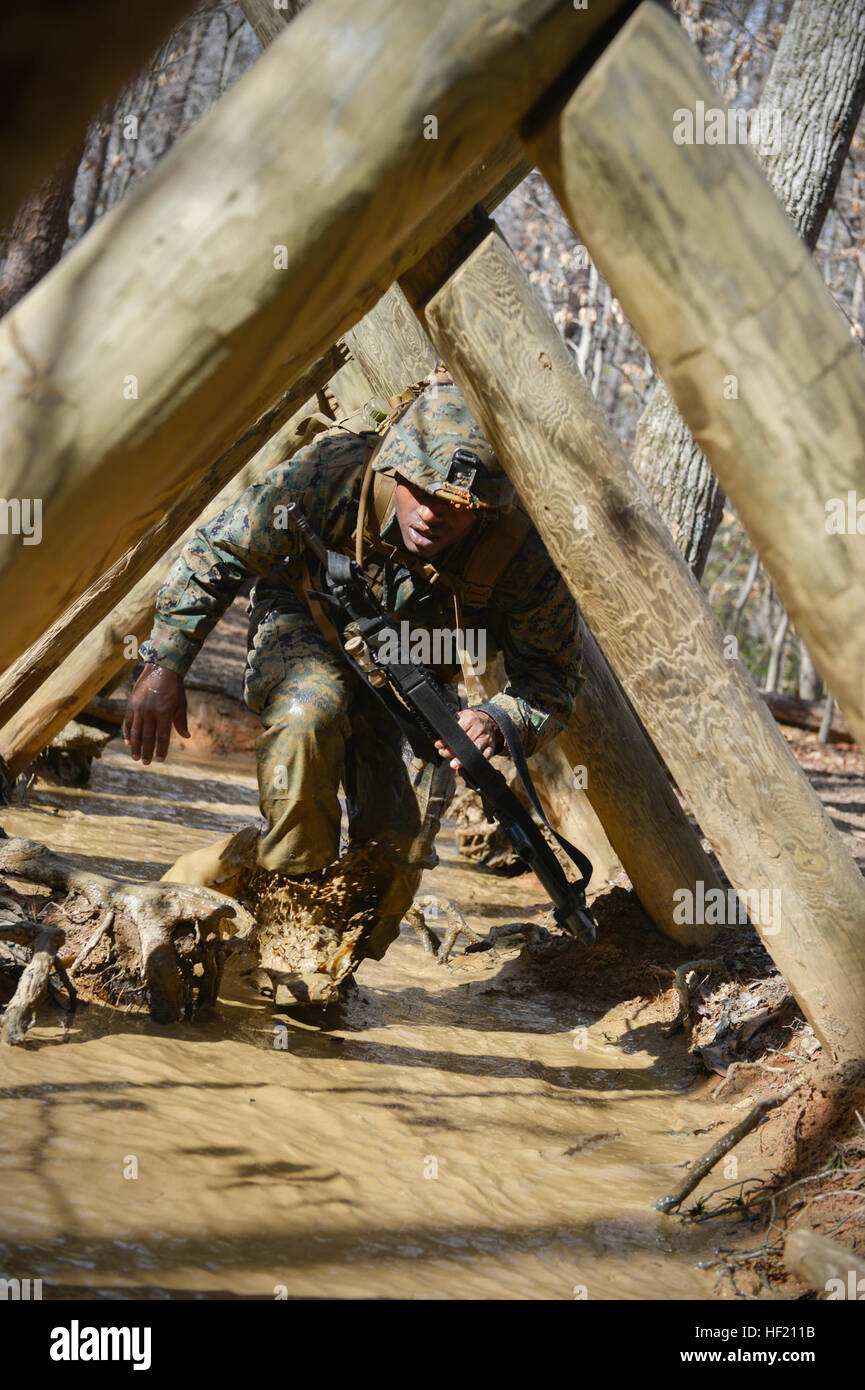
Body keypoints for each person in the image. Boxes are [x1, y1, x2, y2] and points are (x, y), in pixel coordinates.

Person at [124, 371, 584, 1002]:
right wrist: (164, 662)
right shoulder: (338, 472)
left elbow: (552, 681)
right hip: (307, 622)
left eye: (458, 506)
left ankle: (281, 918)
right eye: (420, 490)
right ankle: (284, 935)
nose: (431, 513)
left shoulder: (523, 557)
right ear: (397, 470)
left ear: (490, 510)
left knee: (397, 844)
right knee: (312, 712)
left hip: (417, 676)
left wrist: (499, 719)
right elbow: (220, 549)